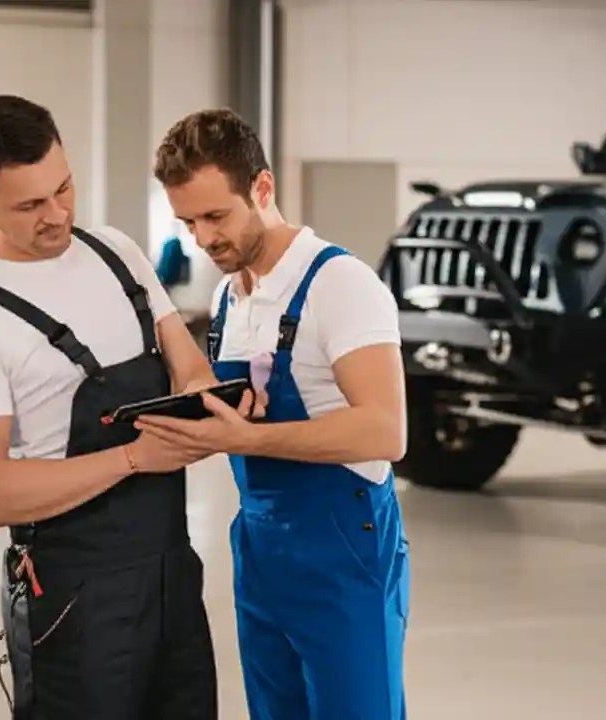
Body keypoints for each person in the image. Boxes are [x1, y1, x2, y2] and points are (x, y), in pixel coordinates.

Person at [0, 95, 223, 720]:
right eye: (30, 205)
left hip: (172, 570)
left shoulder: (116, 253)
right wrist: (135, 458)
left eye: (64, 188)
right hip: (74, 598)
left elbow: (189, 368)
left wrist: (208, 412)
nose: (58, 215)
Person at [141, 108, 412, 720]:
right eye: (188, 222)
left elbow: (385, 429)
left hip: (343, 552)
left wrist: (247, 439)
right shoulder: (228, 295)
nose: (203, 239)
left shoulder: (340, 284)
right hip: (261, 549)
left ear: (262, 188)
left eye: (216, 216)